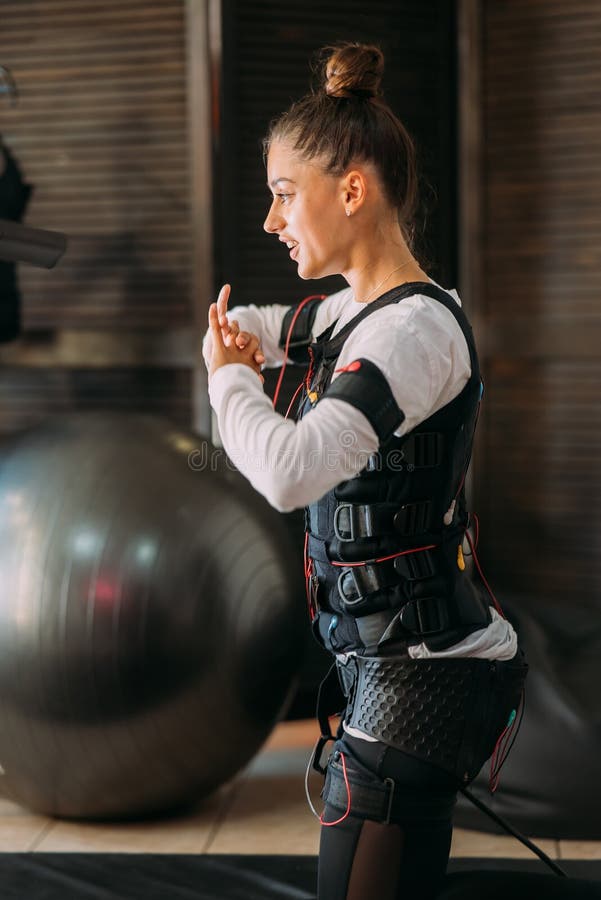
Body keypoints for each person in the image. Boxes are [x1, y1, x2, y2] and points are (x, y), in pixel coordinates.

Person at [203, 41, 527, 900]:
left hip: (427, 674)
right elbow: (285, 325)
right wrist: (244, 342)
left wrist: (227, 377)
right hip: (394, 666)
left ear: (352, 190)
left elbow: (286, 473)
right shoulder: (359, 308)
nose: (271, 222)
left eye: (283, 195)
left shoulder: (409, 335)